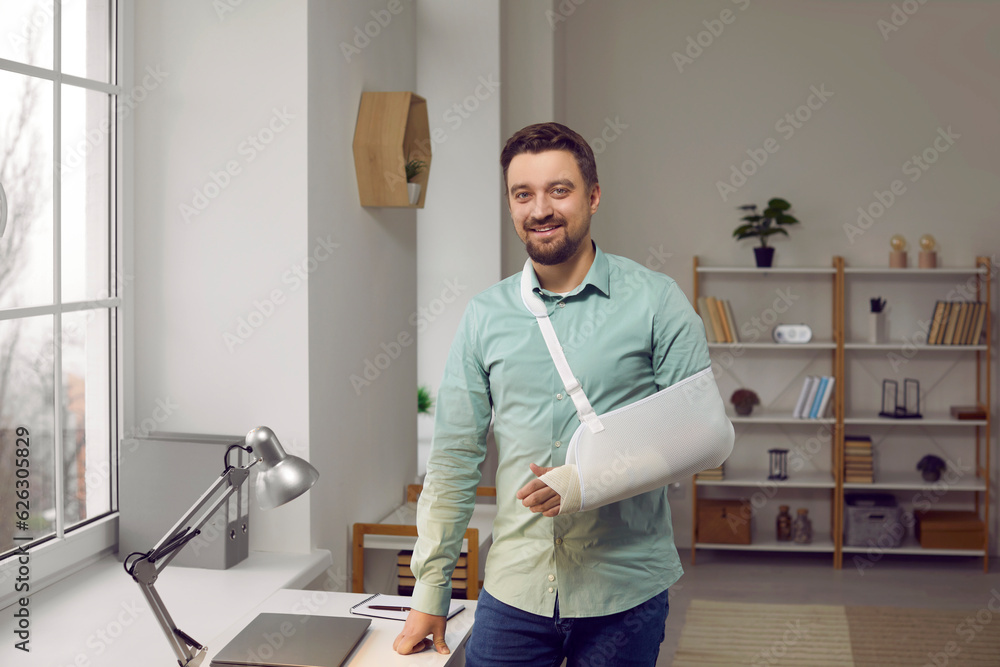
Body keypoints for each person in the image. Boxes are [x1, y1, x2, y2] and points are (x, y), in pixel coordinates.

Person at [392, 122, 716, 665]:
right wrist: (430, 590)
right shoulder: (485, 316)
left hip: (625, 590)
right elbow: (453, 460)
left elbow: (701, 436)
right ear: (510, 204)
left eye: (558, 190)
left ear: (593, 196)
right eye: (523, 194)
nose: (540, 209)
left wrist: (589, 481)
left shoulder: (657, 302)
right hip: (514, 590)